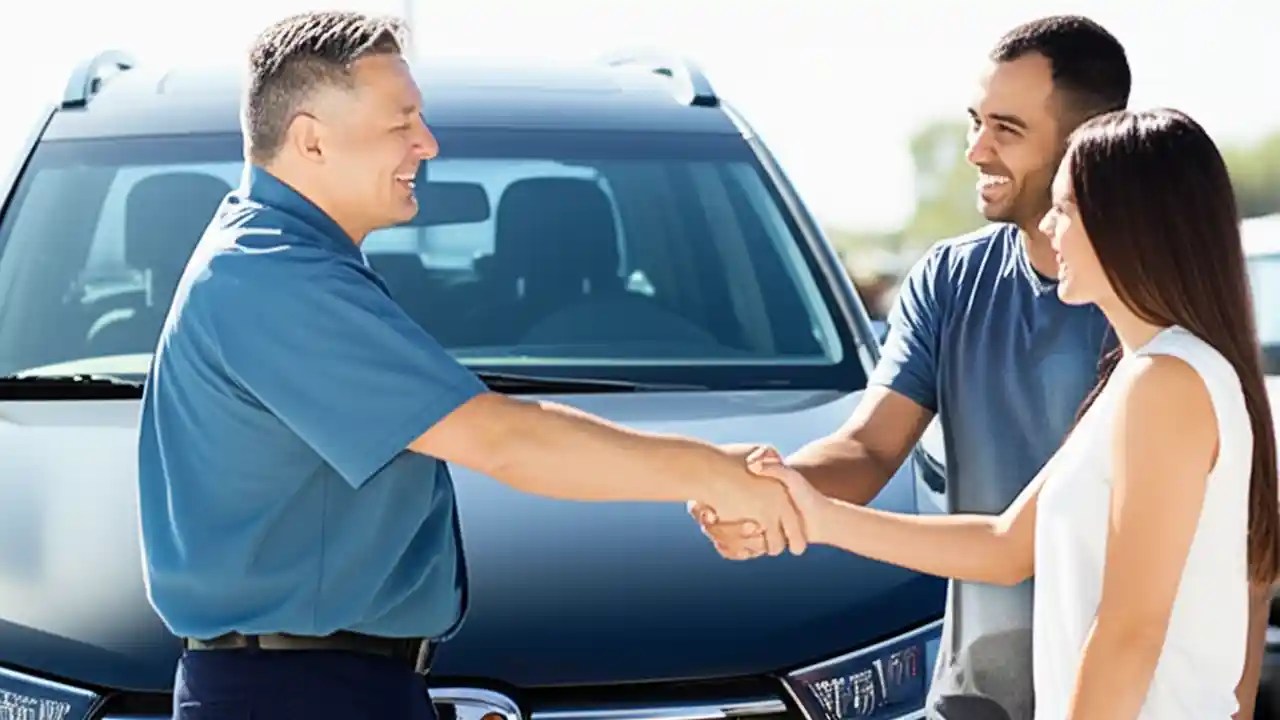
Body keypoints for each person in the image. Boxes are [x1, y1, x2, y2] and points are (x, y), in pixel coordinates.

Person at [135, 11, 804, 720]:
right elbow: (501, 439)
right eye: (402, 123)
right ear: (311, 140)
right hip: (302, 695)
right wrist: (714, 473)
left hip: (319, 683)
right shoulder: (275, 281)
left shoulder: (276, 259)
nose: (428, 143)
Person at [691, 15, 1269, 720]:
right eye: (975, 120)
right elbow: (1002, 546)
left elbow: (1132, 631)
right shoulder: (1137, 373)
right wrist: (796, 506)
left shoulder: (1166, 379)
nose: (974, 151)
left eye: (1008, 128)